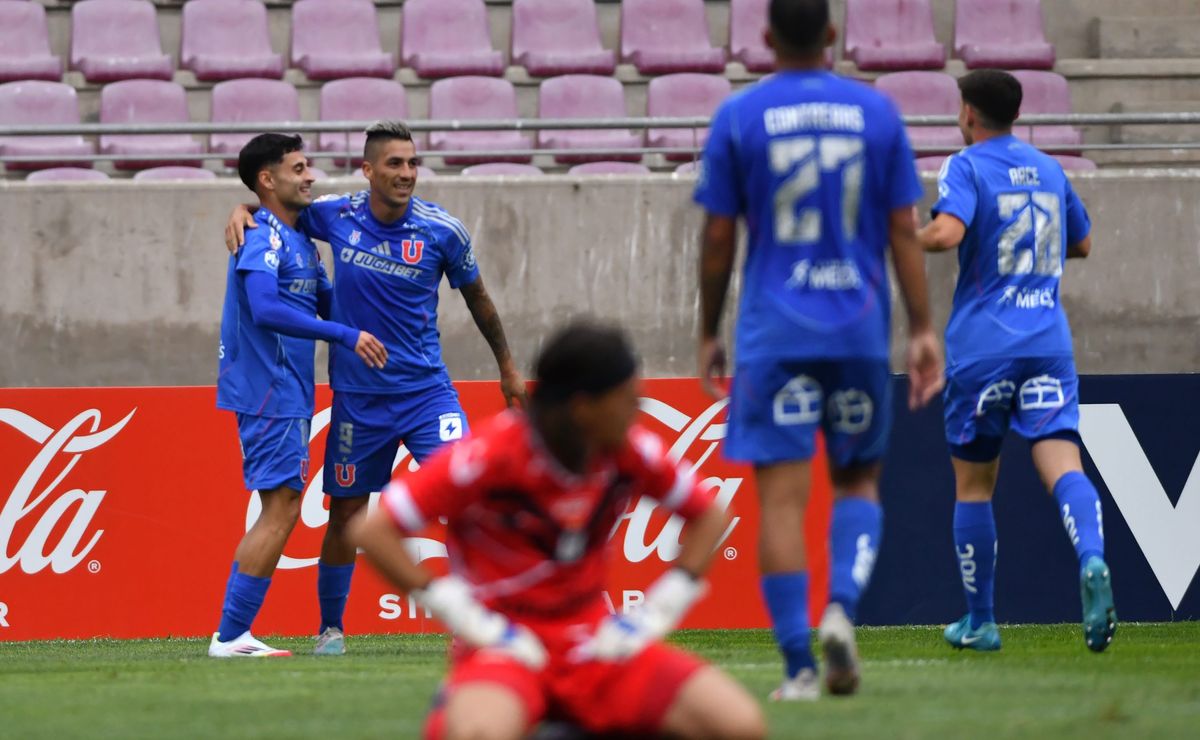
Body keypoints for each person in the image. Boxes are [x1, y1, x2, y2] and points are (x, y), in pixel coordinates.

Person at [693, 0, 944, 699]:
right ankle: (841, 608)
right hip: (858, 330)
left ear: (765, 38)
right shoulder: (879, 113)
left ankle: (799, 667)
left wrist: (710, 328)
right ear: (834, 35)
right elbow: (902, 229)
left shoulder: (739, 117)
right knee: (858, 482)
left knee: (779, 501)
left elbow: (718, 239)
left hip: (774, 333)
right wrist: (923, 328)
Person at [351, 322, 766, 740]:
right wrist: (467, 618)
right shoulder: (490, 455)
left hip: (596, 645)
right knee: (478, 733)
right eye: (627, 398)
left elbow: (709, 516)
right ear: (583, 407)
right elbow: (374, 531)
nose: (637, 409)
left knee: (739, 725)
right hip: (504, 646)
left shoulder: (628, 450)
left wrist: (656, 614)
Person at [226, 121, 525, 656]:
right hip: (358, 402)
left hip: (426, 394)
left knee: (464, 497)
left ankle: (483, 619)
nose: (407, 174)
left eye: (412, 163)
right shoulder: (334, 216)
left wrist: (507, 367)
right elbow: (277, 209)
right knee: (345, 514)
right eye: (394, 164)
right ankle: (331, 629)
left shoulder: (443, 231)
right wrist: (242, 211)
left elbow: (480, 299)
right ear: (368, 171)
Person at [916, 69, 1116, 653]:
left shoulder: (965, 165)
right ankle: (1094, 558)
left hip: (984, 349)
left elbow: (947, 233)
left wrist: (907, 233)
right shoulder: (1051, 169)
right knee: (1063, 463)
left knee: (974, 485)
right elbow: (1082, 243)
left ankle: (980, 621)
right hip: (1048, 344)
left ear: (968, 114)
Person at [210, 134, 387, 658]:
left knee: (282, 505)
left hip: (287, 391)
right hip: (268, 390)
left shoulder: (299, 241)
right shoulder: (263, 235)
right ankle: (231, 635)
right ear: (268, 180)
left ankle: (233, 634)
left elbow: (331, 306)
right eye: (299, 167)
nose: (310, 176)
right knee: (282, 507)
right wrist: (344, 336)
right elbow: (265, 309)